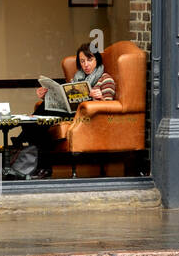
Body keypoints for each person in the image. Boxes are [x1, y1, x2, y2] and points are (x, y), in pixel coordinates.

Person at [14, 43, 116, 179]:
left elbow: (108, 107)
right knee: (42, 114)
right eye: (82, 61)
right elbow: (66, 99)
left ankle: (23, 138)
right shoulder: (77, 78)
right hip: (69, 112)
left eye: (89, 60)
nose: (86, 65)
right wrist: (48, 95)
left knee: (36, 121)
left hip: (84, 118)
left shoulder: (106, 79)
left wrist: (99, 97)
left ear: (97, 59)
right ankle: (43, 166)